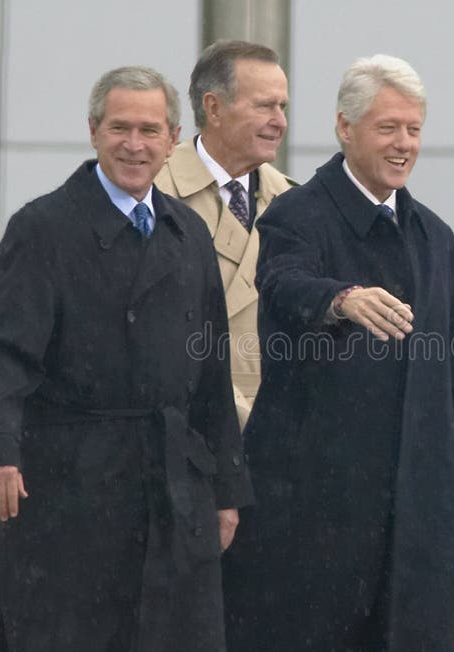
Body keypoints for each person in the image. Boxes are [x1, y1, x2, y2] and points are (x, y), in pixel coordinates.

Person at [0, 66, 252, 652]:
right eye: (120, 127)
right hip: (69, 489)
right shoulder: (42, 228)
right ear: (93, 132)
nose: (134, 144)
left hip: (172, 492)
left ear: (173, 138)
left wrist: (225, 489)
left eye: (150, 130)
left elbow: (211, 374)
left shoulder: (189, 234)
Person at [222, 54, 454, 652]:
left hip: (418, 524)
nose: (403, 144)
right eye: (387, 127)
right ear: (345, 128)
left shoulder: (435, 238)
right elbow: (282, 283)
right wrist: (340, 299)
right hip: (310, 524)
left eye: (413, 129)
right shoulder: (296, 213)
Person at [155, 39, 293, 429]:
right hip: (181, 432)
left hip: (274, 443)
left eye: (282, 107)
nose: (280, 121)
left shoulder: (294, 202)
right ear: (214, 108)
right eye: (265, 106)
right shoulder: (153, 195)